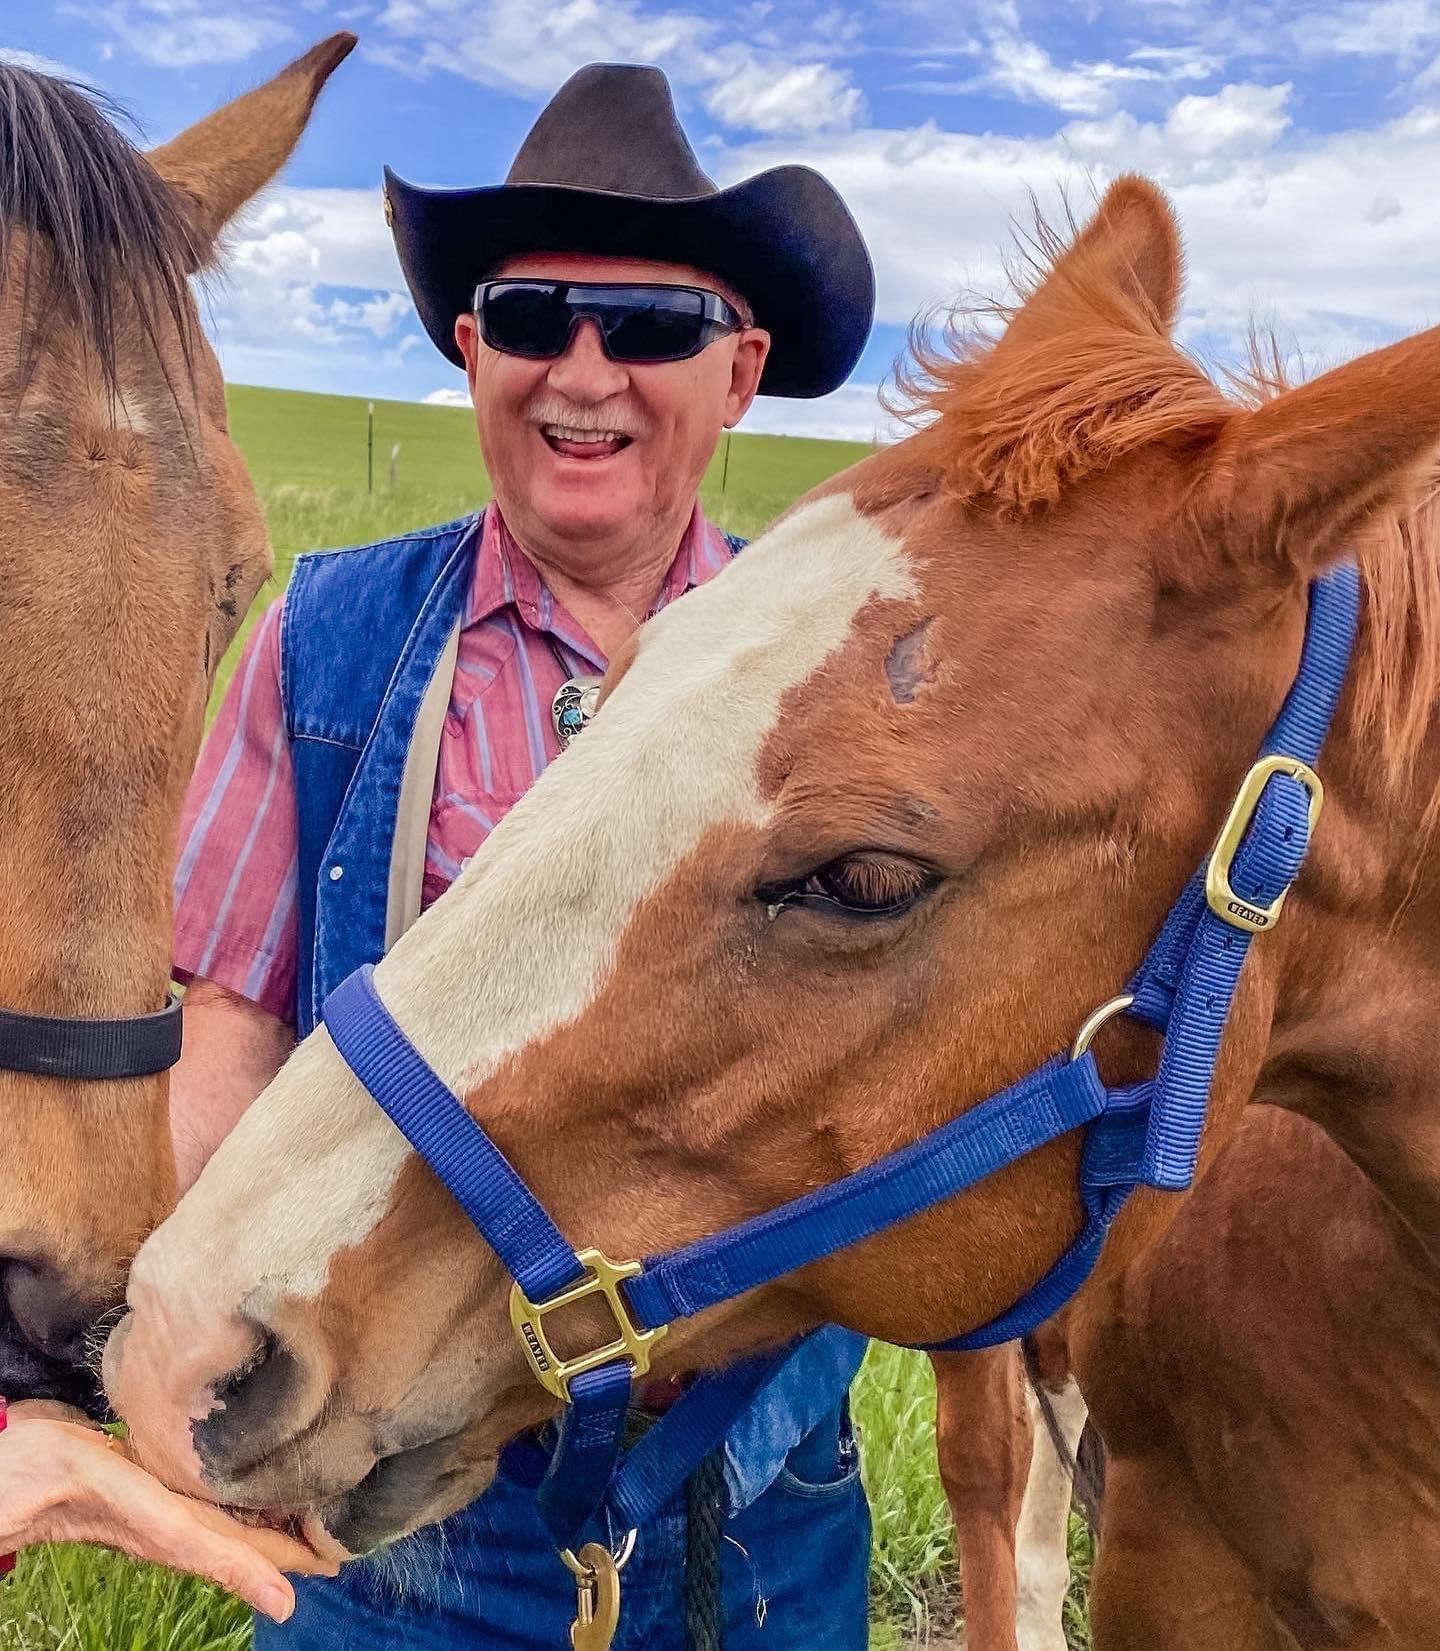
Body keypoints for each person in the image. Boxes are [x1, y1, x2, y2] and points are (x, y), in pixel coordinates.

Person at [169, 63, 876, 1650]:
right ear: (467, 347)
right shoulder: (321, 649)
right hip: (381, 1524)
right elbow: (228, 1025)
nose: (585, 369)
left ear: (742, 370)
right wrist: (200, 1353)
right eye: (534, 312)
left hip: (756, 1508)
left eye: (651, 328)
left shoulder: (851, 676)